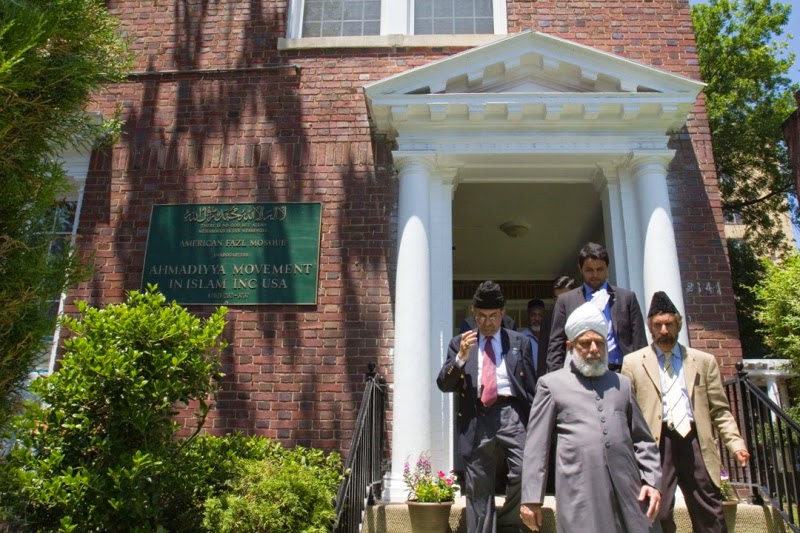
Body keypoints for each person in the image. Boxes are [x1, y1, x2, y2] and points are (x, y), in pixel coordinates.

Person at [521, 302, 662, 533]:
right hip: (580, 489)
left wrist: (652, 482)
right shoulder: (551, 384)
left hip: (631, 489)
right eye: (585, 343)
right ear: (570, 346)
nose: (594, 349)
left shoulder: (622, 384)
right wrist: (531, 498)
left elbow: (643, 439)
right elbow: (536, 446)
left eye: (599, 343)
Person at [622, 291, 751, 533]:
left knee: (709, 512)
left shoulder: (703, 361)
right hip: (656, 443)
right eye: (658, 325)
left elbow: (720, 410)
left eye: (669, 324)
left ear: (678, 324)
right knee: (657, 511)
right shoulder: (633, 363)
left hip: (695, 442)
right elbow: (627, 412)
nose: (663, 331)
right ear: (650, 327)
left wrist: (735, 444)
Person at [437, 281, 537, 533]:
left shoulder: (518, 342)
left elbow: (530, 386)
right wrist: (461, 357)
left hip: (510, 411)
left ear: (502, 313)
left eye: (493, 316)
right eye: (481, 316)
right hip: (477, 414)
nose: (487, 322)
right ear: (473, 313)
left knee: (526, 468)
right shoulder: (460, 342)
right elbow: (444, 383)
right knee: (479, 485)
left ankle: (508, 520)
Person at [547, 242, 646, 373]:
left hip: (621, 371)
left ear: (607, 267)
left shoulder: (626, 298)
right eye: (589, 270)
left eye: (600, 269)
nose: (595, 275)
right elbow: (556, 344)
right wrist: (556, 377)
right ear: (580, 268)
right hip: (580, 372)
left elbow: (640, 343)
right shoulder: (566, 300)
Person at [521, 299, 547, 375]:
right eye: (533, 315)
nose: (537, 319)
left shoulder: (550, 337)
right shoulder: (521, 338)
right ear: (528, 316)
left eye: (540, 315)